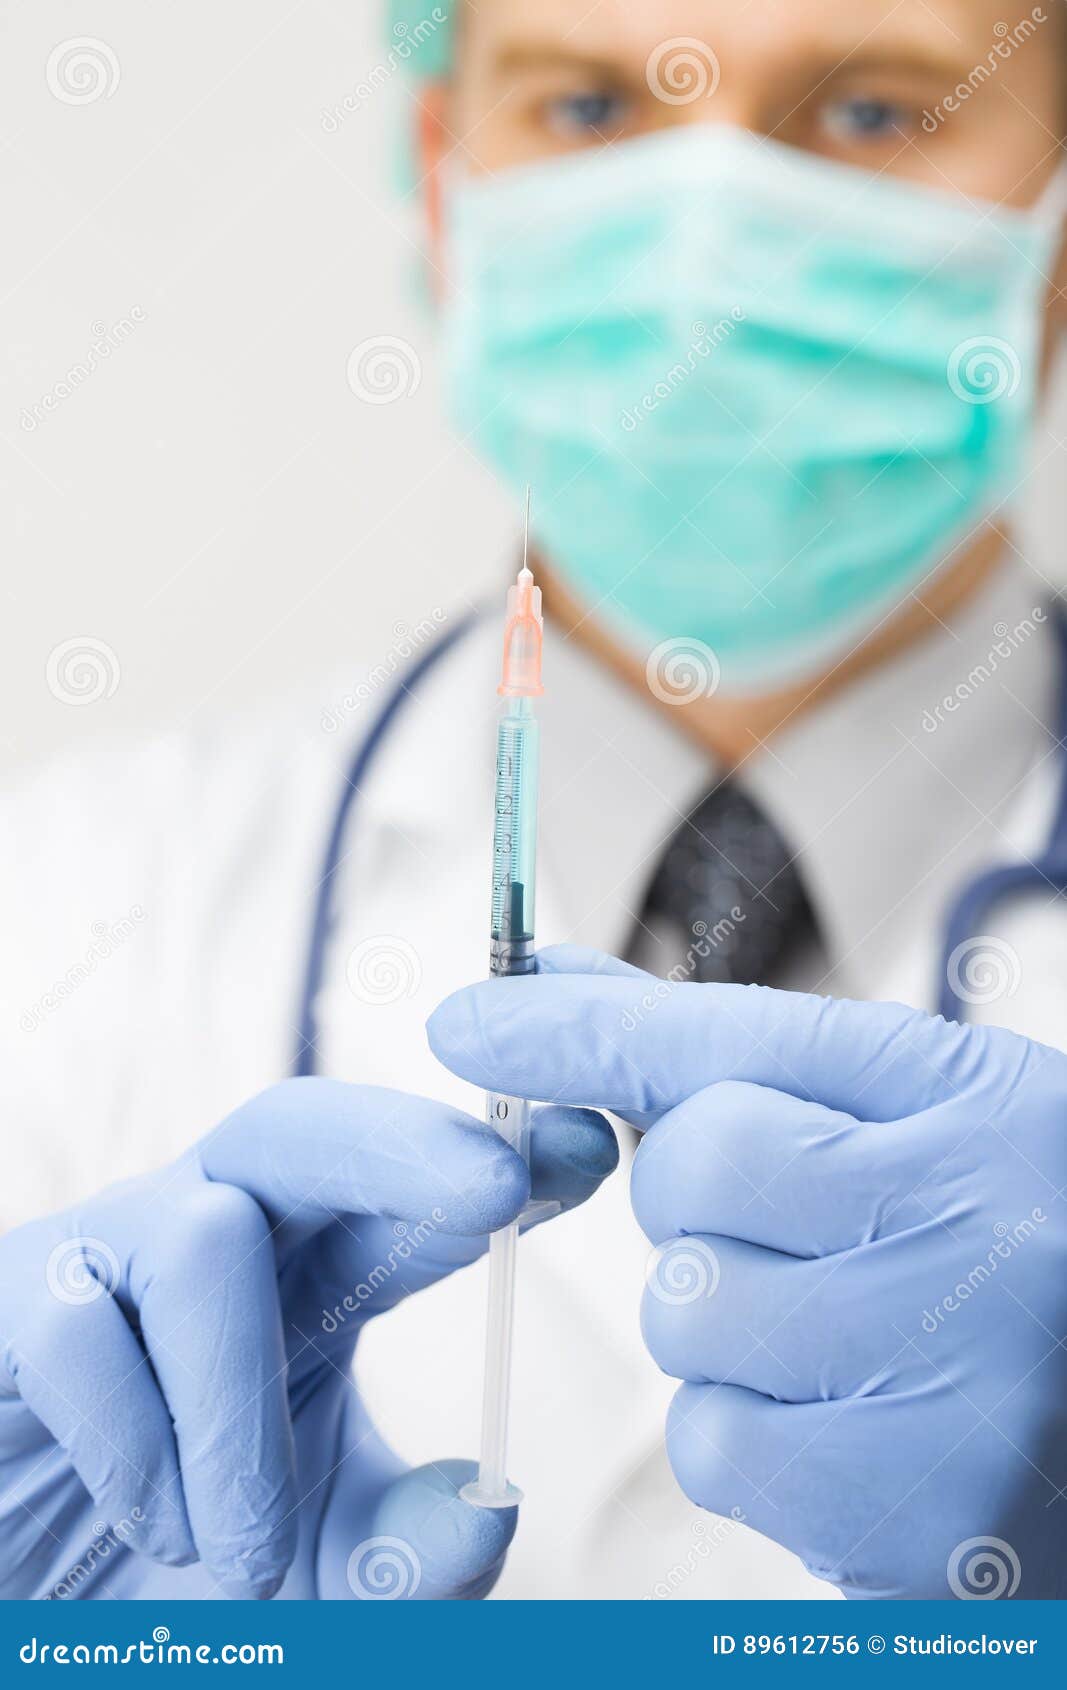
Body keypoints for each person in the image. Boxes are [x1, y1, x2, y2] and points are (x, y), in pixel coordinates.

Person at [2, 0, 1066, 1600]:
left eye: (869, 114)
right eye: (584, 110)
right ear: (444, 187)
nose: (705, 243)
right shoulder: (66, 904)